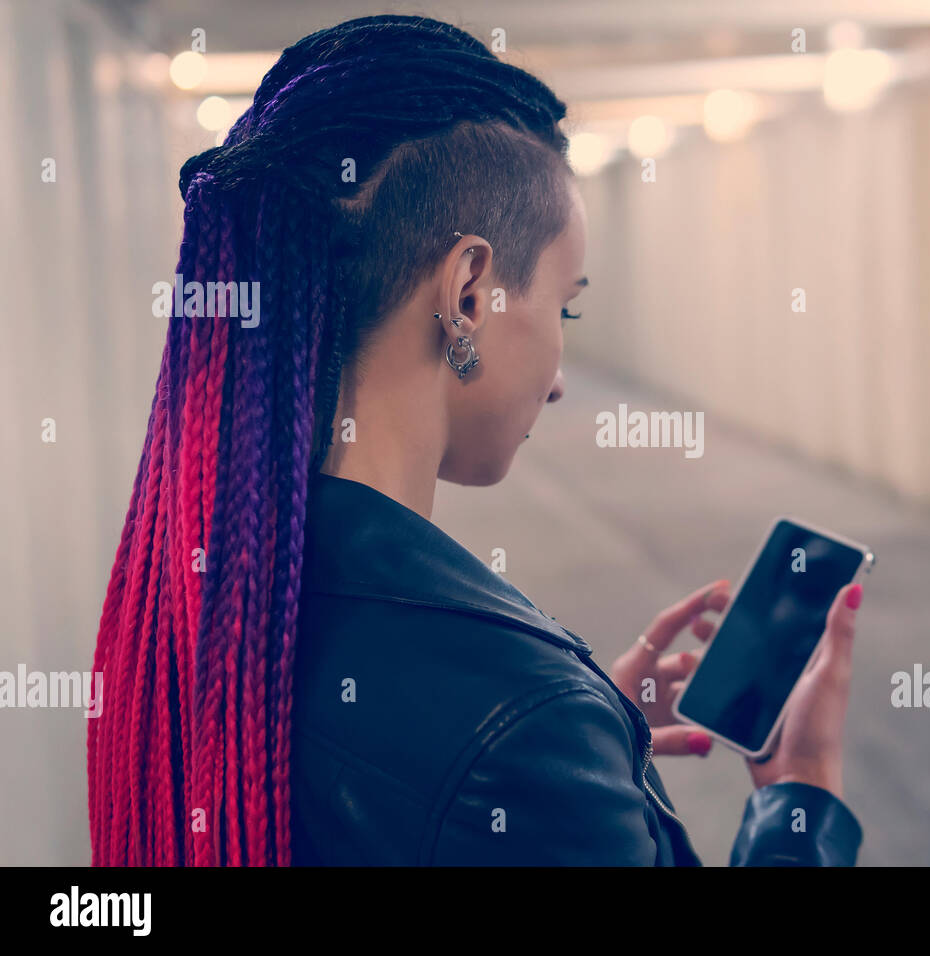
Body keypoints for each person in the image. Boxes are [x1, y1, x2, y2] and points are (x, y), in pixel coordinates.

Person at [88, 13, 864, 866]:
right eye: (564, 306)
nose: (561, 375)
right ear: (468, 296)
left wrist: (589, 735)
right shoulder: (525, 730)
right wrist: (801, 799)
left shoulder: (196, 601)